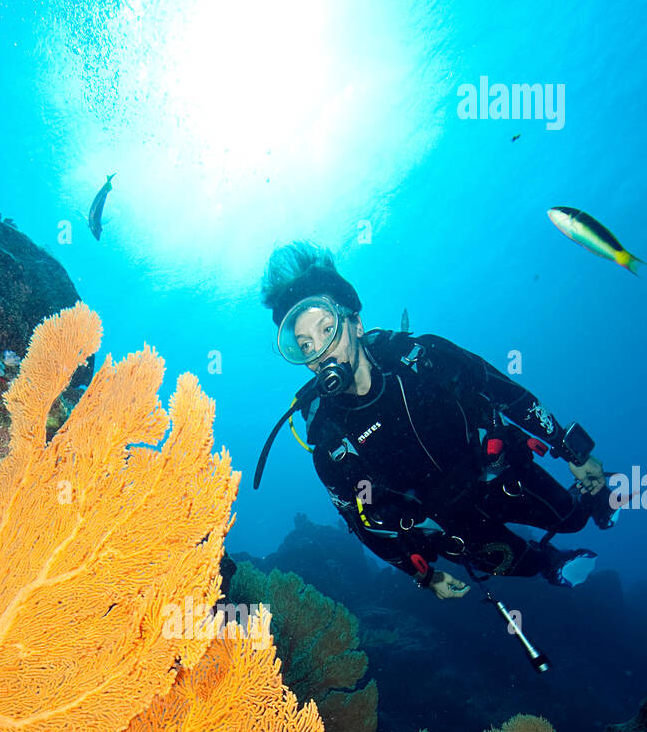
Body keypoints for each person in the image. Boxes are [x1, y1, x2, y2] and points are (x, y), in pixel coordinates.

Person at [257, 243, 615, 600]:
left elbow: (504, 392)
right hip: (454, 525)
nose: (320, 351)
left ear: (356, 323)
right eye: (304, 345)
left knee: (571, 520)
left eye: (326, 329)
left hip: (498, 473)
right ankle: (551, 563)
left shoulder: (423, 358)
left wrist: (573, 453)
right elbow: (360, 524)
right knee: (524, 564)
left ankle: (594, 498)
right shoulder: (329, 439)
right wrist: (424, 576)